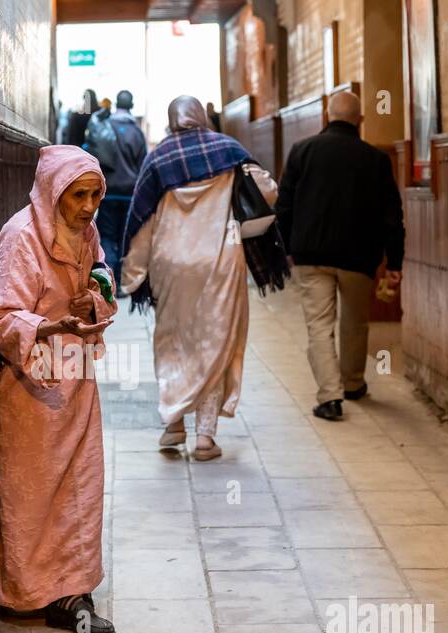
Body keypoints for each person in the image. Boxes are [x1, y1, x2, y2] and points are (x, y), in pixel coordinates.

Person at [0, 144, 118, 633]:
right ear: (53, 193)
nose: (87, 207)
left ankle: (73, 592)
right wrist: (46, 327)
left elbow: (103, 273)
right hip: (33, 390)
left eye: (94, 195)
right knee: (37, 492)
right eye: (77, 195)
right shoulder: (20, 238)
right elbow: (2, 319)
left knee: (81, 486)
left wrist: (94, 299)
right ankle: (30, 593)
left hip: (78, 378)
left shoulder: (87, 234)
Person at [120, 96, 277, 461]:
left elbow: (143, 221)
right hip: (221, 260)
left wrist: (133, 274)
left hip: (171, 264)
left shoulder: (159, 158)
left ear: (172, 120)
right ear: (203, 118)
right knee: (216, 341)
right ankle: (205, 437)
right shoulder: (228, 150)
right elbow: (268, 191)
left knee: (174, 339)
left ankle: (173, 422)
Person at [275, 90, 404, 421]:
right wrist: (395, 261)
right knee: (354, 322)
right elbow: (392, 215)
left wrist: (288, 249)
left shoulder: (302, 151)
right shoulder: (375, 160)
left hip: (310, 254)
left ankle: (330, 397)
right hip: (359, 257)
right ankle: (352, 383)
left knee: (319, 326)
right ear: (360, 121)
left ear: (325, 116)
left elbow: (284, 207)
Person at [84, 90, 148, 276]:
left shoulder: (104, 126)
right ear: (131, 106)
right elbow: (143, 165)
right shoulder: (136, 132)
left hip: (108, 191)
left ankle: (110, 281)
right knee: (124, 237)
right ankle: (122, 277)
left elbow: (89, 150)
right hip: (129, 194)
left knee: (108, 237)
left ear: (117, 104)